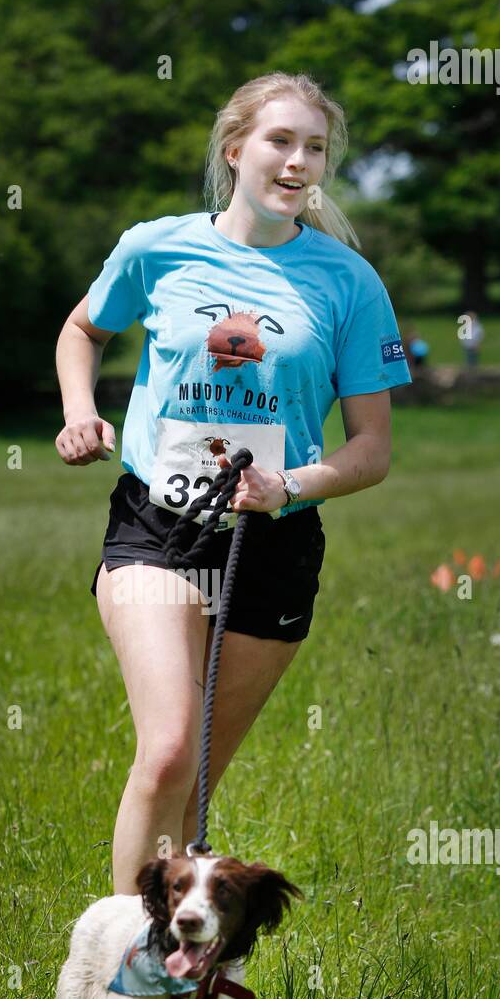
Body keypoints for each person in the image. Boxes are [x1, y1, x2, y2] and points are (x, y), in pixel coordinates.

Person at [54, 71, 412, 895]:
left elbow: (372, 450)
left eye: (314, 147)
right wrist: (80, 410)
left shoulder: (349, 283)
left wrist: (287, 486)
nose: (298, 161)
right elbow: (83, 329)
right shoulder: (156, 247)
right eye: (280, 141)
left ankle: (182, 971)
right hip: (160, 527)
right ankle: (129, 964)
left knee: (196, 783)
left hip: (274, 541)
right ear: (235, 149)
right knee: (170, 749)